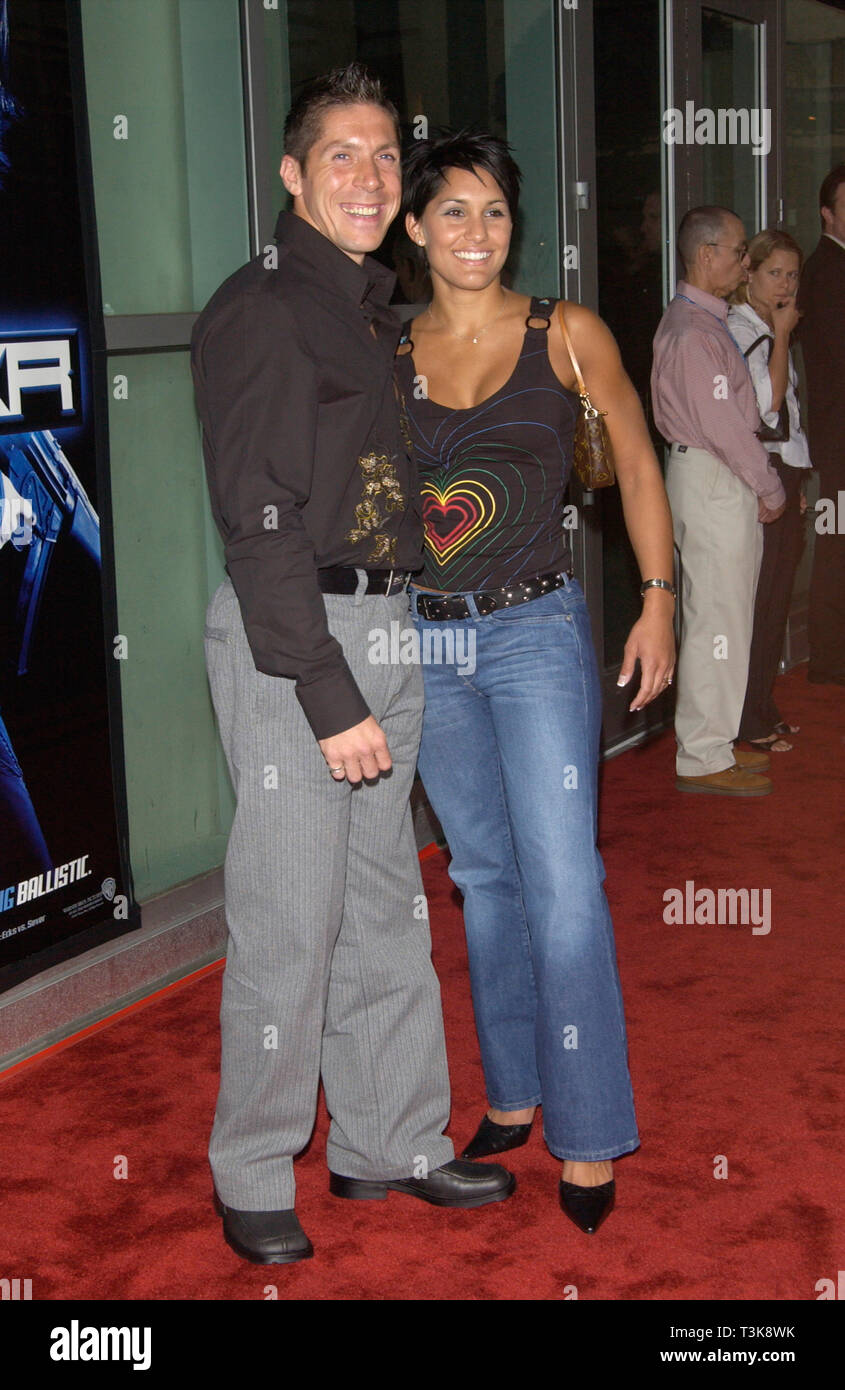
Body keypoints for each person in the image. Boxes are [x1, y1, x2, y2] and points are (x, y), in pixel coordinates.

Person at [190, 67, 514, 1267]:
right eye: (342, 156)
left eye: (386, 157)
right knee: (288, 919)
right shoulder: (262, 311)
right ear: (291, 173)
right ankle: (251, 1167)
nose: (371, 179)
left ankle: (389, 1139)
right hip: (297, 647)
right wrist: (328, 693)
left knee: (383, 905)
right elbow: (261, 522)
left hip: (384, 629)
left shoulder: (367, 310)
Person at [395, 131, 676, 1233]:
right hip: (424, 641)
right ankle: (510, 1092)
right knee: (481, 873)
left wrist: (656, 599)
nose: (475, 232)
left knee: (562, 883)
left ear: (516, 226)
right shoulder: (389, 348)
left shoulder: (564, 335)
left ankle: (590, 1128)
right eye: (451, 212)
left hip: (533, 634)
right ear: (413, 228)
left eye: (494, 212)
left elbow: (640, 462)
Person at [651, 206, 786, 797]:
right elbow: (728, 427)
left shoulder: (697, 322)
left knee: (718, 616)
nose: (744, 262)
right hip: (713, 475)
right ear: (706, 255)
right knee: (717, 620)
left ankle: (712, 746)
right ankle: (704, 756)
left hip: (705, 473)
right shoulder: (693, 330)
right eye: (737, 252)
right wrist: (769, 483)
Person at [727, 230, 810, 752]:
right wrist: (781, 335)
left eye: (793, 274)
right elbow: (767, 409)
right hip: (764, 472)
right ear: (749, 273)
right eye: (775, 272)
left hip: (786, 469)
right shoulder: (743, 328)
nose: (786, 283)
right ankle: (746, 719)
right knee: (757, 604)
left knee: (775, 601)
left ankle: (762, 705)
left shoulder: (764, 324)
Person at [797, 164, 845, 687]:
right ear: (827, 214)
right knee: (837, 542)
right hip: (838, 435)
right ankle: (831, 658)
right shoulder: (828, 270)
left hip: (835, 432)